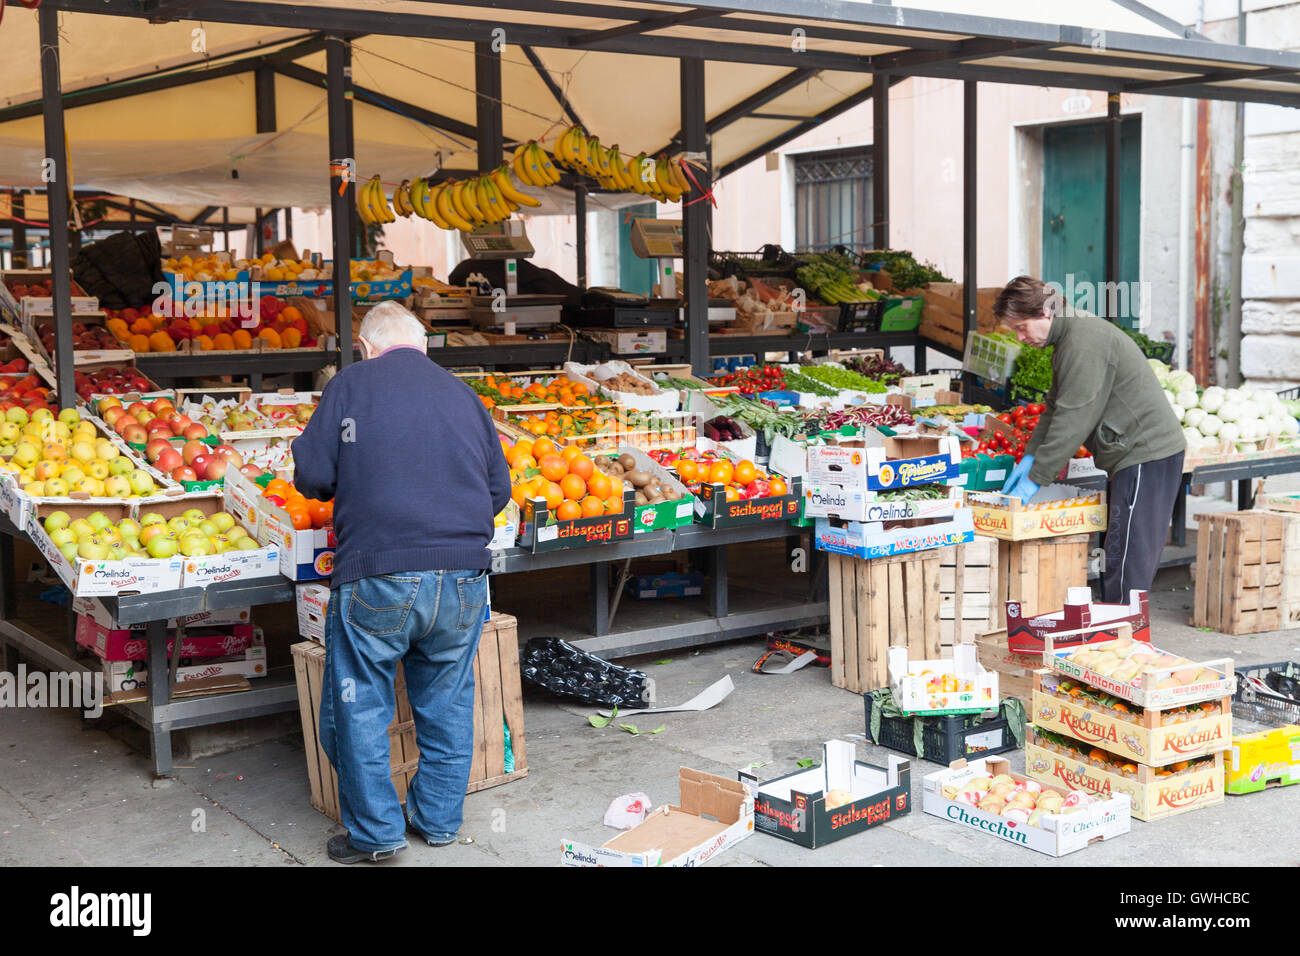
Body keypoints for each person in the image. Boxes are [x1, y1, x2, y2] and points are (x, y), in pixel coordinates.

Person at [293, 301, 511, 864]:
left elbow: (314, 477)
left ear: (366, 346)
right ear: (423, 342)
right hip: (464, 576)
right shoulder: (463, 394)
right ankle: (437, 822)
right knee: (447, 702)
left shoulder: (351, 384)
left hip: (379, 576)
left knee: (359, 707)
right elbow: (498, 491)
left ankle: (377, 836)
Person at [993, 276, 1186, 603]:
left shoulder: (1083, 341)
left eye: (1021, 327)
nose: (1021, 337)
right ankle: (1120, 634)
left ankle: (1125, 640)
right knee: (1122, 550)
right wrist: (1029, 459)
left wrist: (1036, 477)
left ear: (1044, 312)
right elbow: (1054, 409)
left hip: (1145, 453)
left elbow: (1074, 418)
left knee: (1128, 560)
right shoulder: (1070, 336)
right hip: (1133, 454)